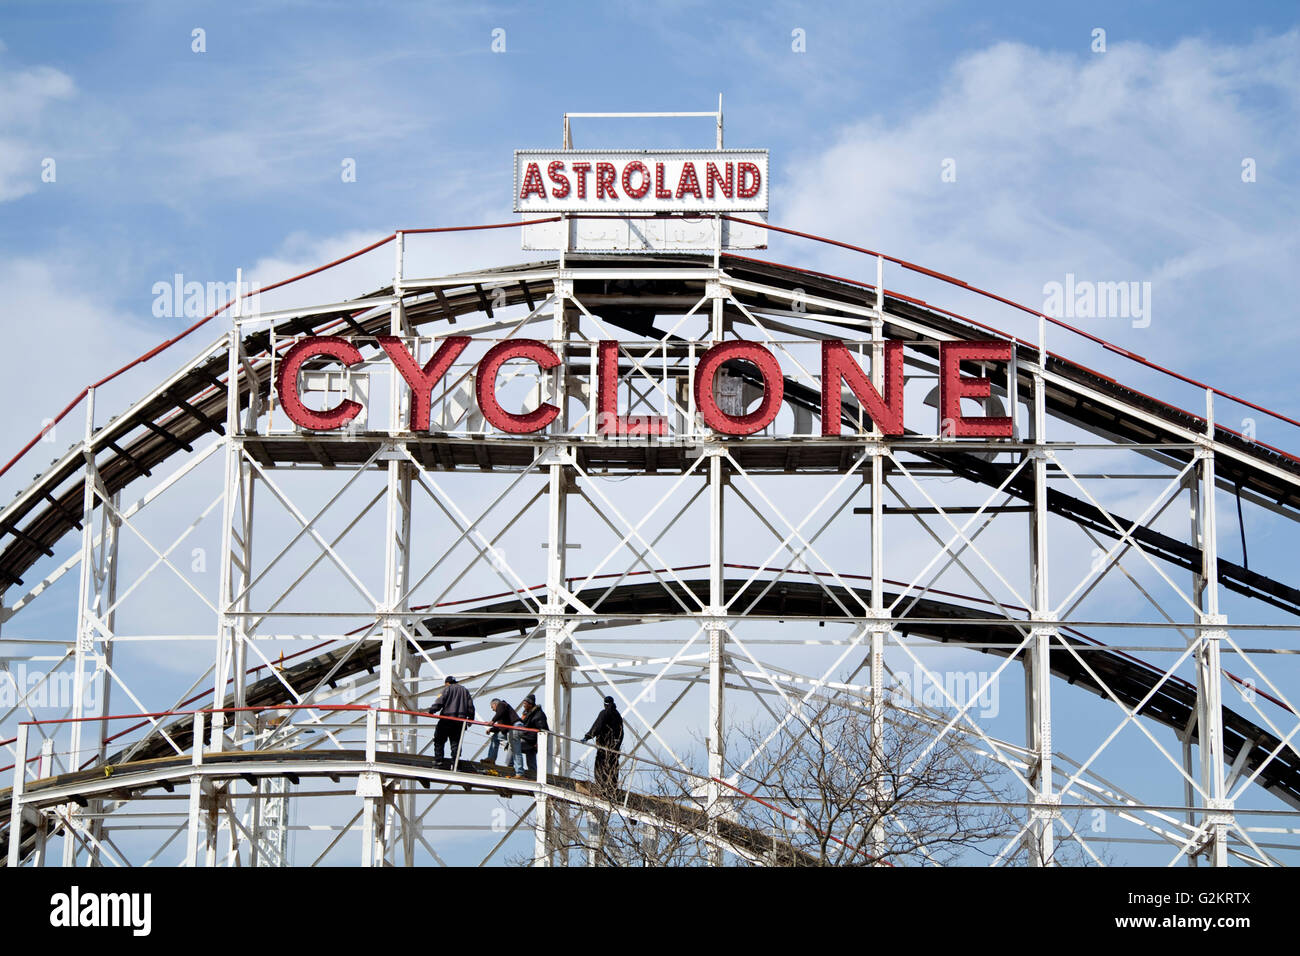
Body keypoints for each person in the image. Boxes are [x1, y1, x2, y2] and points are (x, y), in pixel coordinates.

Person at [427, 676, 475, 766]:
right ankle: (455, 762)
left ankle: (439, 760)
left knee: (439, 740)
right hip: (460, 721)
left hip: (446, 719)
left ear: (447, 683)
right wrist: (471, 719)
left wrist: (431, 711)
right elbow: (470, 706)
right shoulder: (465, 690)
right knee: (456, 742)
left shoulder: (447, 689)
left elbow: (440, 701)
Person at [582, 696, 625, 791]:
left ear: (604, 704)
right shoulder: (618, 716)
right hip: (614, 748)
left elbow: (597, 726)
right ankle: (612, 787)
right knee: (613, 766)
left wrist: (588, 736)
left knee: (600, 765)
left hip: (604, 745)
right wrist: (617, 744)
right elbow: (621, 733)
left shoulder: (604, 713)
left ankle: (601, 785)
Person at [515, 694, 549, 777]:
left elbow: (543, 729)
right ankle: (534, 775)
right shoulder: (527, 714)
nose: (523, 705)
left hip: (531, 740)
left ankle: (513, 768)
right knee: (531, 758)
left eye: (525, 704)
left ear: (530, 704)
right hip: (529, 739)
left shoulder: (539, 715)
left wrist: (538, 743)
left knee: (514, 745)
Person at [483, 697, 520, 766]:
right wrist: (491, 729)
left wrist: (492, 721)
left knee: (496, 738)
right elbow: (501, 726)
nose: (492, 709)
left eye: (492, 707)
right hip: (509, 731)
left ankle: (491, 758)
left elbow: (499, 720)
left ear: (495, 704)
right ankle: (493, 759)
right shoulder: (502, 712)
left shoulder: (501, 704)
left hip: (513, 730)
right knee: (496, 738)